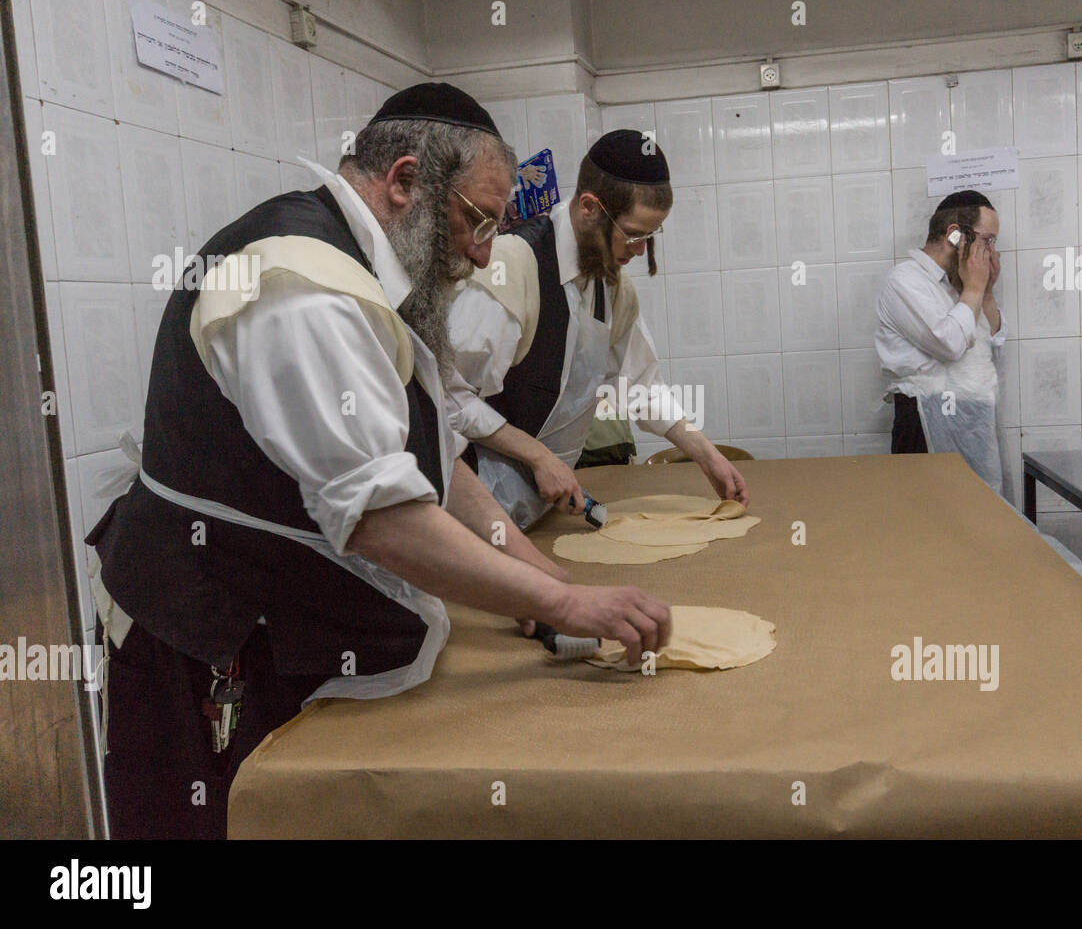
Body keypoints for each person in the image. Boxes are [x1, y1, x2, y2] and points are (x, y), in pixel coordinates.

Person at [85, 84, 671, 839]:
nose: (485, 252)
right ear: (403, 183)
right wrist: (565, 606)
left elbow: (436, 463)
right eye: (478, 220)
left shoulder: (364, 269)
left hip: (269, 624)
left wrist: (545, 582)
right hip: (205, 635)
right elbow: (382, 517)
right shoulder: (301, 286)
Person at [446, 129, 747, 532]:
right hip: (469, 502)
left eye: (650, 237)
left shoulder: (614, 288)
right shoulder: (513, 265)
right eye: (634, 233)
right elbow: (448, 398)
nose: (640, 250)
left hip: (539, 503)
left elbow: (641, 387)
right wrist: (537, 456)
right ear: (589, 206)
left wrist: (707, 456)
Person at [875, 190, 1007, 495]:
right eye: (987, 240)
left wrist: (985, 292)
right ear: (954, 234)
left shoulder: (956, 283)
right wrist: (973, 288)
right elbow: (949, 344)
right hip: (923, 422)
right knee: (925, 524)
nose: (990, 250)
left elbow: (991, 348)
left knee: (976, 517)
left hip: (969, 422)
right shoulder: (905, 280)